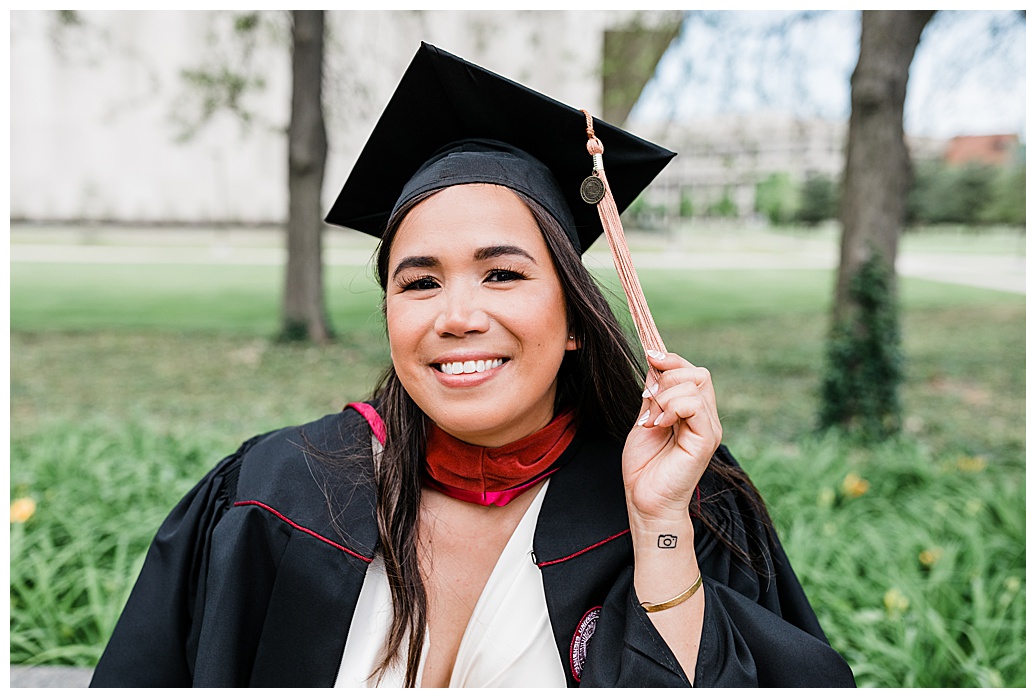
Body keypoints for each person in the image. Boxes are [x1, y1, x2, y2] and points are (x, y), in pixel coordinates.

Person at [91, 43, 855, 688]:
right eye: (419, 282)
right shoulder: (273, 492)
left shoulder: (684, 503)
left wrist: (660, 525)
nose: (457, 316)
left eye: (503, 274)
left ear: (575, 324)